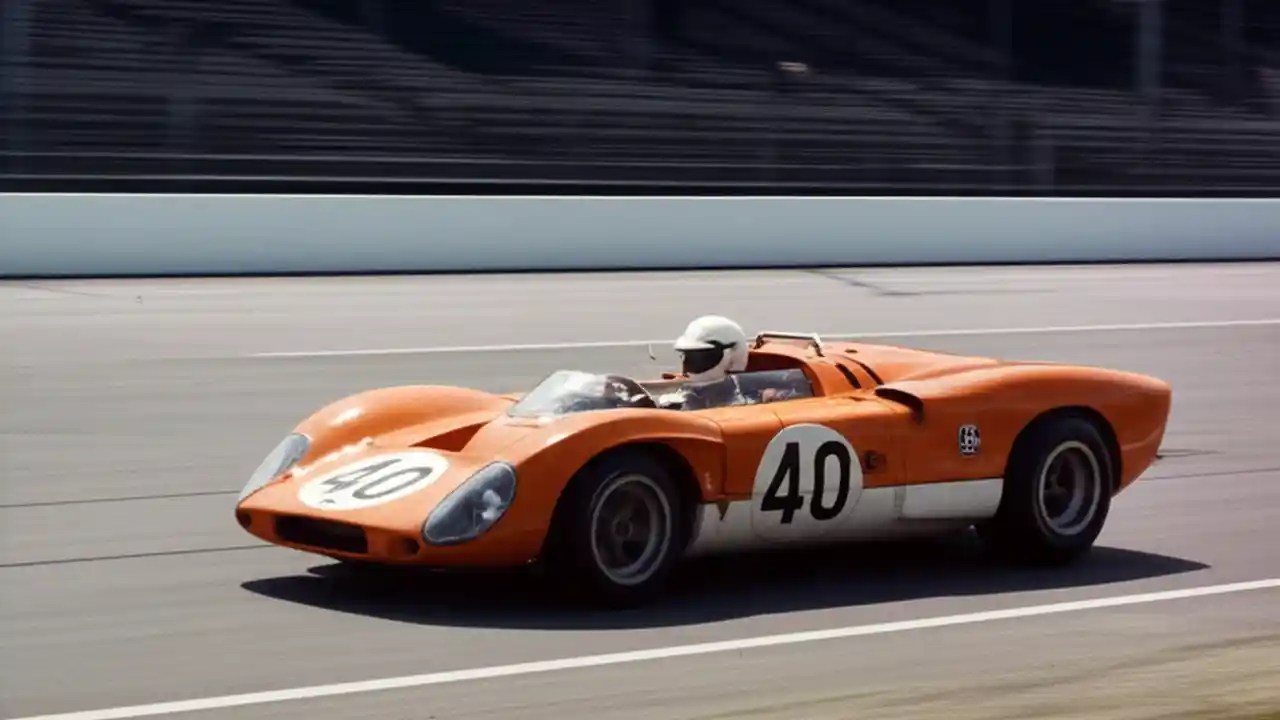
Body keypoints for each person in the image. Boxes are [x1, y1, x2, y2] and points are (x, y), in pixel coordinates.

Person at [667, 315, 750, 410]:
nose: (689, 365)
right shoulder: (682, 397)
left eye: (701, 356)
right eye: (688, 355)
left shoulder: (743, 404)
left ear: (732, 353)